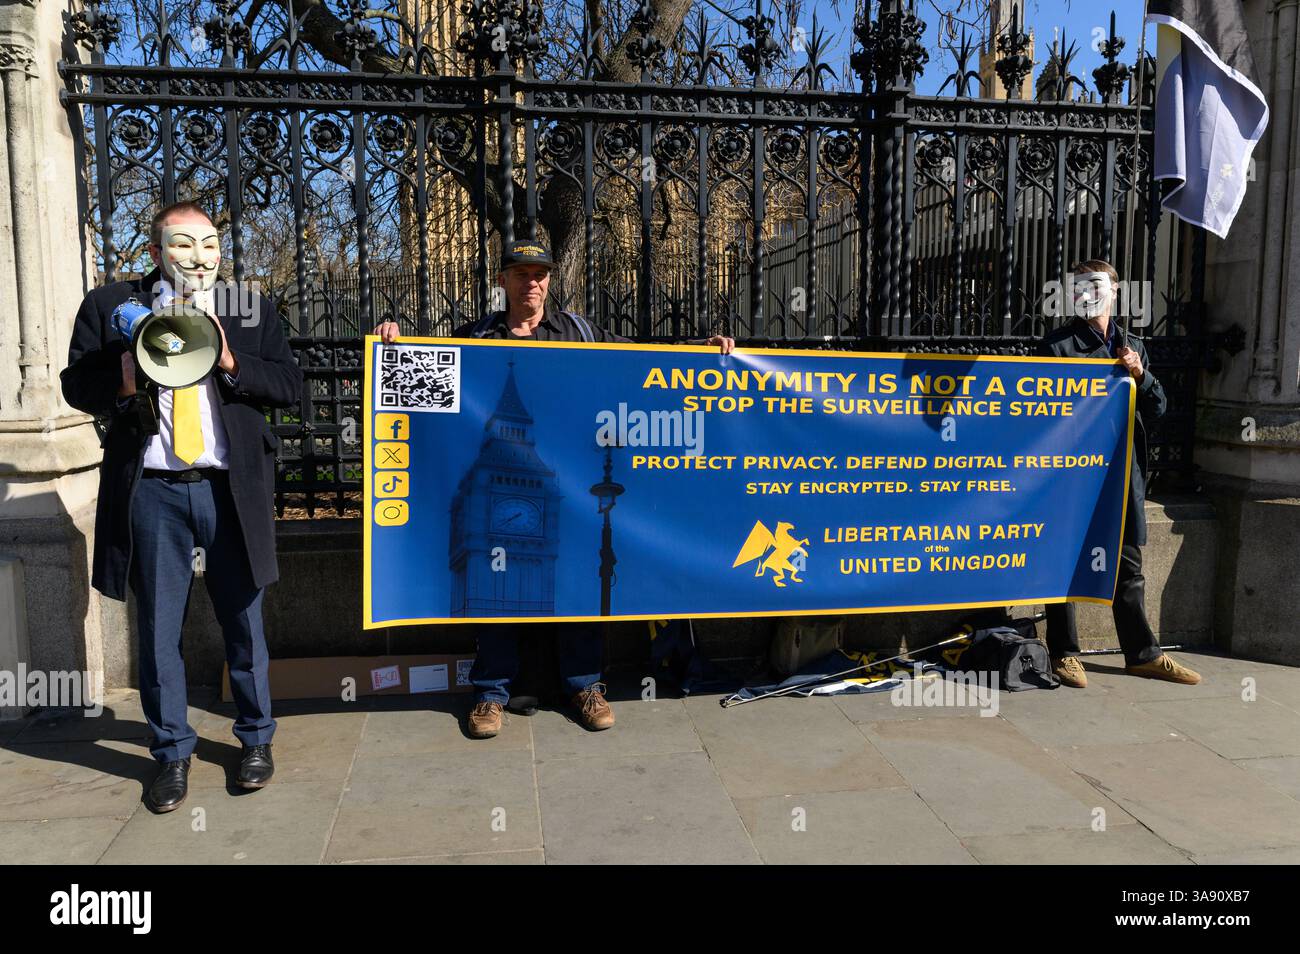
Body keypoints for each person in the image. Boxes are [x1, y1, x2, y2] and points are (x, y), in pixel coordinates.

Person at [374, 239, 734, 737]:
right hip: (500, 488)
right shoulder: (477, 337)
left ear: (549, 280)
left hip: (572, 482)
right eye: (521, 273)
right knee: (493, 589)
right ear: (502, 280)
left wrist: (698, 350)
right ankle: (490, 694)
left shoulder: (579, 332)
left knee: (577, 586)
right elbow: (427, 374)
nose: (532, 283)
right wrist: (393, 343)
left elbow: (640, 361)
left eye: (540, 274)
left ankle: (584, 686)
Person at [62, 201, 304, 811]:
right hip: (153, 490)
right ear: (155, 252)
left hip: (228, 489)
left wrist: (230, 361)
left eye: (211, 244)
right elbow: (75, 384)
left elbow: (289, 385)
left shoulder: (247, 309)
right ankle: (171, 753)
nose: (200, 257)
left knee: (243, 621)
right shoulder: (111, 305)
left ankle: (255, 740)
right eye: (183, 244)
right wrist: (121, 381)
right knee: (157, 630)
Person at [1035, 259, 1200, 688]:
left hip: (1121, 475)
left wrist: (1140, 374)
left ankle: (1143, 655)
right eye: (1078, 288)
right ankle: (1064, 652)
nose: (1086, 295)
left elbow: (1158, 409)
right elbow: (1039, 415)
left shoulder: (1133, 345)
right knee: (1065, 560)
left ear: (1115, 292)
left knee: (1128, 564)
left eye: (1095, 286)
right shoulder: (1056, 347)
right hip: (1072, 477)